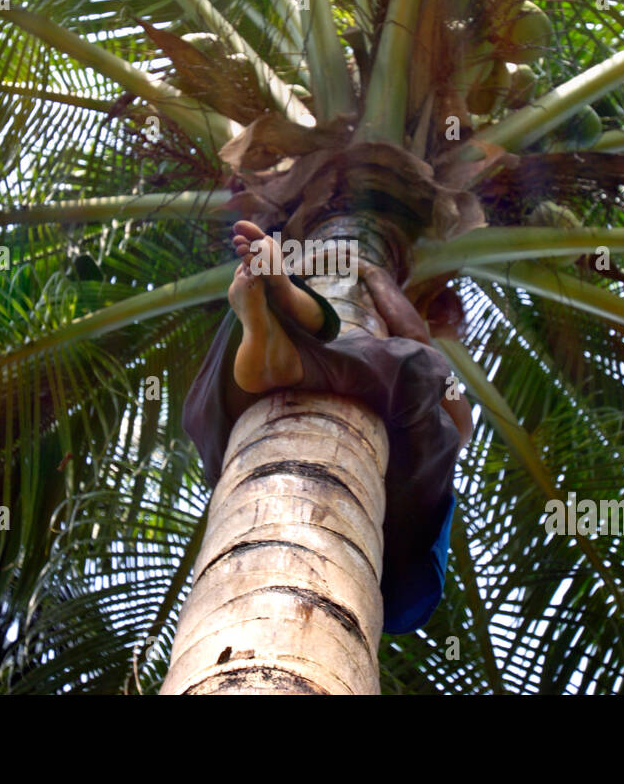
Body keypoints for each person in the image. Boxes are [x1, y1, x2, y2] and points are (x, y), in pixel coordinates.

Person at [183, 221, 472, 634]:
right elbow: (415, 334)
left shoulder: (453, 416)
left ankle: (297, 315)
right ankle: (291, 313)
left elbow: (416, 341)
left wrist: (367, 272)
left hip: (228, 438)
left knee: (421, 367)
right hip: (388, 545)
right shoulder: (451, 412)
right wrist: (371, 275)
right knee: (420, 364)